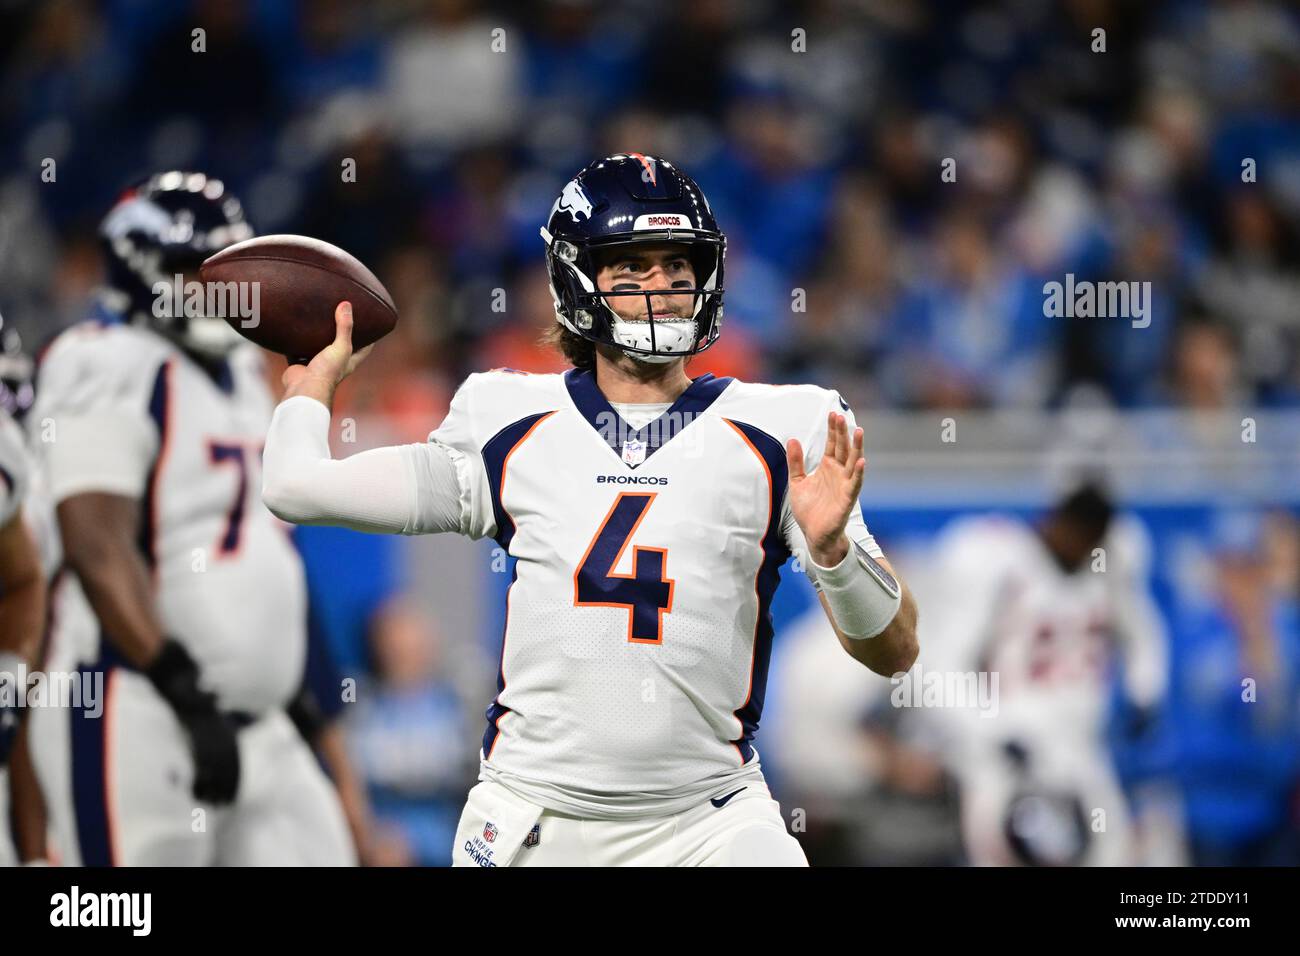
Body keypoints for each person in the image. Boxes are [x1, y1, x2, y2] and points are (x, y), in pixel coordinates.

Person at [262, 153, 919, 867]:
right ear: (578, 280)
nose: (662, 288)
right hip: (535, 817)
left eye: (678, 266)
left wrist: (835, 556)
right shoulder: (507, 417)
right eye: (632, 268)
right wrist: (309, 386)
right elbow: (297, 487)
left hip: (709, 822)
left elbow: (894, 652)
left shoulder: (785, 429)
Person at [30, 171, 354, 865]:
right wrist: (183, 690)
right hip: (138, 704)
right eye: (194, 269)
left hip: (259, 722)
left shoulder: (240, 369)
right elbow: (97, 544)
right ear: (140, 266)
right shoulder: (103, 360)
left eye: (227, 268)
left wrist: (286, 689)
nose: (217, 289)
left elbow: (263, 553)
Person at [921, 483, 1168, 865]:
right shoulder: (1002, 564)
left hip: (1083, 750)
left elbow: (1142, 634)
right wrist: (992, 731)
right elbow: (944, 667)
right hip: (1014, 753)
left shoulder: (1108, 565)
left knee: (1110, 853)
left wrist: (1144, 692)